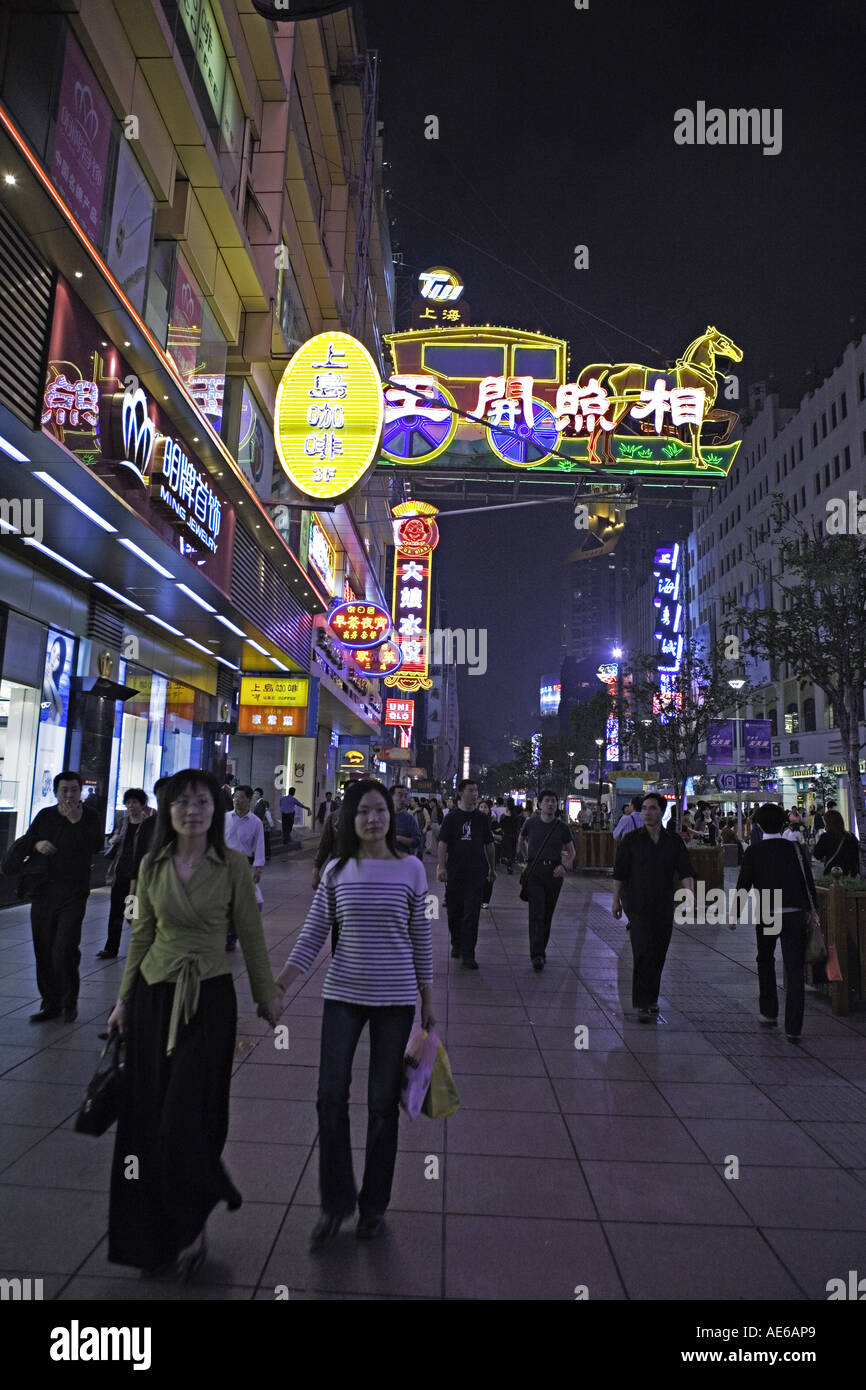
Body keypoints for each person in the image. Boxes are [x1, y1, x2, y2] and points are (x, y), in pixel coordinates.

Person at [106, 769, 280, 1276]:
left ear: (217, 808)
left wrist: (265, 996)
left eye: (202, 801)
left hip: (209, 1000)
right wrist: (122, 1001)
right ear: (169, 810)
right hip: (155, 998)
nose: (192, 810)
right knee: (147, 1121)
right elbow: (142, 935)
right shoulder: (152, 863)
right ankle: (157, 1236)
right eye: (182, 802)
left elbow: (249, 933)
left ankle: (192, 1224)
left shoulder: (233, 867)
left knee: (186, 1118)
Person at [273, 779, 433, 1249]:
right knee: (329, 1096)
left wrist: (429, 1000)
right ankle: (335, 1201)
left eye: (379, 810)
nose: (372, 819)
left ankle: (374, 1204)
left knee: (383, 1103)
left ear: (391, 814)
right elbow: (313, 933)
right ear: (349, 819)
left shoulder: (411, 870)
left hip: (397, 1000)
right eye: (362, 811)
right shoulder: (337, 870)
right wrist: (280, 985)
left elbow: (421, 938)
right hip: (342, 995)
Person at [14, 771, 104, 1022]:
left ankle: (69, 1001)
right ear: (55, 792)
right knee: (43, 948)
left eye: (74, 790)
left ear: (81, 791)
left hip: (73, 892)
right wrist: (37, 845)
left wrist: (76, 822)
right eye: (64, 790)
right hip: (43, 891)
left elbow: (96, 846)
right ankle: (50, 1003)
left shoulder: (90, 816)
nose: (69, 795)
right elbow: (29, 839)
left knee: (64, 948)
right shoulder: (46, 815)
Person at [733, 801, 817, 1041]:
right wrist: (813, 909)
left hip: (768, 912)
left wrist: (734, 914)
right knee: (794, 968)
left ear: (758, 824)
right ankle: (794, 1028)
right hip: (795, 913)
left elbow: (744, 885)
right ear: (784, 823)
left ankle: (769, 1012)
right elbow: (807, 881)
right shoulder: (796, 850)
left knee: (765, 960)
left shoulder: (754, 852)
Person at [611, 791, 695, 1022]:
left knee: (659, 951)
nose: (647, 812)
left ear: (662, 811)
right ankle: (641, 1002)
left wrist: (690, 894)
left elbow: (685, 870)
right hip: (636, 903)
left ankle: (652, 998)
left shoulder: (673, 841)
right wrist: (616, 900)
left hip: (663, 903)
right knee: (642, 949)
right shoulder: (632, 840)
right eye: (645, 808)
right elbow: (620, 872)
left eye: (653, 808)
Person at [437, 779, 495, 969]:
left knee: (472, 912)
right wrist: (442, 866)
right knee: (455, 910)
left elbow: (489, 844)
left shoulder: (482, 818)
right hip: (455, 871)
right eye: (471, 791)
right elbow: (443, 843)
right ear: (461, 793)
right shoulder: (452, 817)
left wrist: (492, 868)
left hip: (476, 872)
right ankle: (457, 942)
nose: (475, 794)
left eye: (476, 791)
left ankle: (469, 953)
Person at [517, 789, 575, 969]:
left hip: (553, 874)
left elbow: (572, 852)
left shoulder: (562, 827)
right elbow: (521, 840)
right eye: (547, 801)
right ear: (540, 804)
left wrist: (563, 866)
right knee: (537, 913)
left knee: (547, 913)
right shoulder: (531, 823)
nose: (551, 804)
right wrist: (527, 859)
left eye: (554, 801)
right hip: (535, 872)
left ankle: (541, 949)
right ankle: (537, 954)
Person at [99, 788, 151, 959]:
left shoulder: (148, 824)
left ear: (142, 804)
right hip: (120, 871)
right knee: (115, 910)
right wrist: (112, 840)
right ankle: (111, 947)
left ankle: (138, 947)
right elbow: (112, 839)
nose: (131, 806)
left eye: (134, 802)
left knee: (132, 912)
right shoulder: (122, 822)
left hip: (138, 874)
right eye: (128, 803)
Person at [223, 784, 266, 950]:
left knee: (238, 903)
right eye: (235, 797)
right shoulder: (225, 818)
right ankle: (224, 933)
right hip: (223, 865)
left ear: (249, 799)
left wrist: (258, 868)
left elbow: (259, 846)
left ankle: (232, 934)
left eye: (241, 797)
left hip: (243, 866)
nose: (237, 801)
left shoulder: (255, 822)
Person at [814, 808, 861, 878]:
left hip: (831, 873)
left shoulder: (825, 837)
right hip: (849, 874)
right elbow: (857, 855)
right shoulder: (850, 836)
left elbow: (817, 855)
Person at [312, 806, 341, 890]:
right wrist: (316, 870)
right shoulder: (334, 816)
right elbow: (324, 845)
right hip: (337, 870)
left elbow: (324, 845)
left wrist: (316, 869)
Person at [392, 785, 423, 857]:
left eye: (405, 796)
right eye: (400, 795)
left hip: (403, 862)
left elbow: (417, 841)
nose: (403, 799)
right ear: (391, 797)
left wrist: (399, 839)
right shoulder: (382, 816)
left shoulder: (409, 818)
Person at [498, 797, 519, 873]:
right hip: (513, 835)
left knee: (507, 851)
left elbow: (501, 825)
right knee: (512, 851)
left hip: (506, 835)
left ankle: (507, 863)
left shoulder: (503, 816)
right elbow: (517, 827)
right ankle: (510, 864)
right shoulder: (515, 816)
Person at [252, 788, 272, 862]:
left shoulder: (261, 802)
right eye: (254, 793)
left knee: (263, 841)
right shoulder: (258, 802)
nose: (255, 795)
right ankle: (265, 855)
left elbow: (259, 815)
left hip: (261, 825)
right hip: (260, 825)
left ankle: (265, 855)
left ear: (260, 794)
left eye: (257, 793)